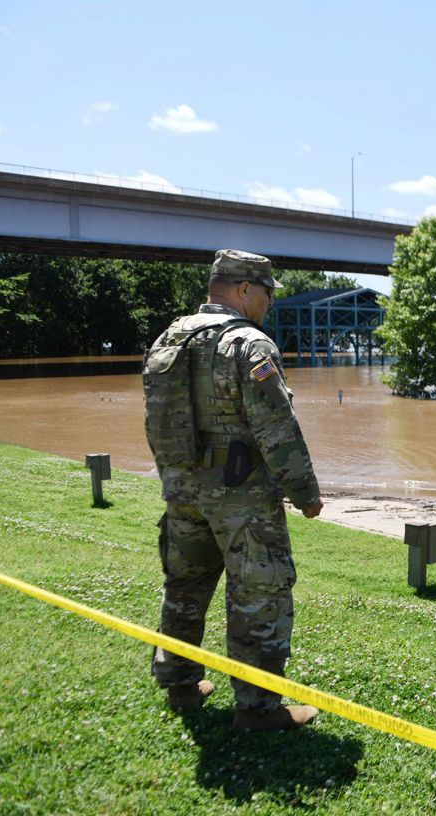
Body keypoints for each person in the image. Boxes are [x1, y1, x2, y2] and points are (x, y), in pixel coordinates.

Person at [144, 248, 323, 732]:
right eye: (266, 292)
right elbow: (277, 428)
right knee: (260, 592)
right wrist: (305, 493)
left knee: (185, 586)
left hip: (182, 490)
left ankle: (180, 683)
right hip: (240, 496)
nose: (268, 303)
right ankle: (259, 707)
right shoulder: (249, 345)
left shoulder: (169, 338)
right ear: (244, 289)